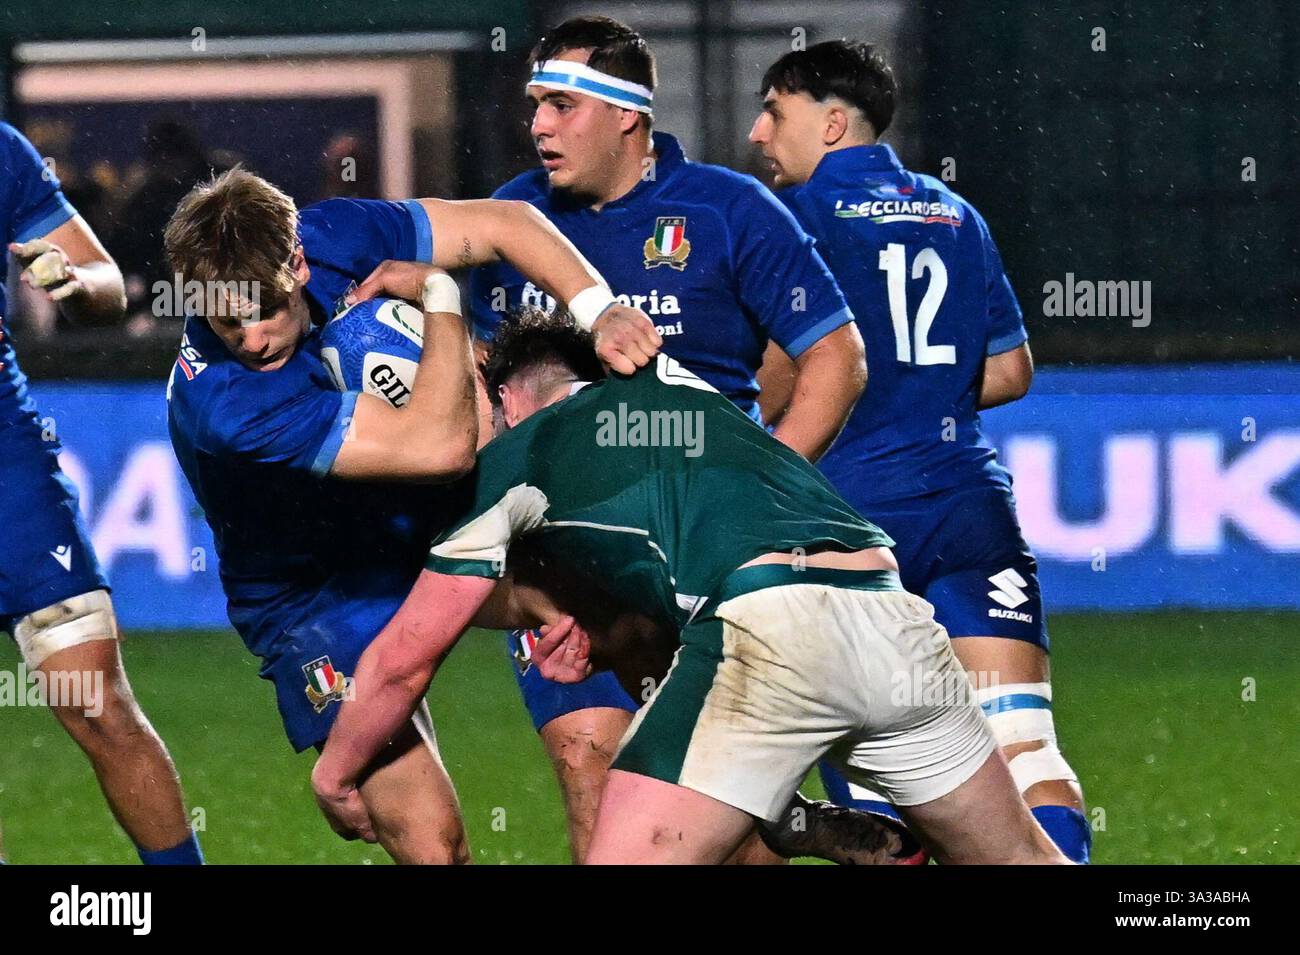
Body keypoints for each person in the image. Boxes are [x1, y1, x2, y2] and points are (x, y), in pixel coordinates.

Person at [311, 311, 1069, 865]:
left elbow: (405, 657)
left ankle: (781, 813)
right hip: (893, 615)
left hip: (771, 634)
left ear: (503, 396)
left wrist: (336, 772)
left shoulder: (517, 459)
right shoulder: (688, 397)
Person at [163, 167, 659, 863]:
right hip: (315, 600)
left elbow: (508, 222)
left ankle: (765, 802)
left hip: (412, 525)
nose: (249, 339)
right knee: (435, 845)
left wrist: (598, 309)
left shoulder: (336, 234)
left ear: (298, 263)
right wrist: (439, 295)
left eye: (264, 309)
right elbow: (444, 446)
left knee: (635, 629)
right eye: (226, 320)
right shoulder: (227, 402)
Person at [468, 15, 867, 859]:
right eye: (534, 104)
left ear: (627, 116)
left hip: (697, 558)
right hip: (564, 553)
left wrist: (763, 494)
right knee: (590, 763)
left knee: (718, 817)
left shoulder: (728, 209)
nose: (538, 124)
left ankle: (781, 820)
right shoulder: (511, 216)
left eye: (562, 104)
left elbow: (835, 354)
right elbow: (479, 372)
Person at [748, 40, 1090, 862]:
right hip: (971, 510)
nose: (759, 133)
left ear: (832, 124)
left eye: (775, 112)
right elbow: (1010, 370)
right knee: (1026, 744)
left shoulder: (791, 220)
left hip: (855, 526)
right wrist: (917, 393)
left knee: (876, 770)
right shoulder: (953, 211)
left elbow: (780, 373)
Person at [0, 121, 202, 865]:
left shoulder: (2, 153)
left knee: (99, 706)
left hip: (5, 467)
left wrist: (75, 283)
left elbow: (107, 285)